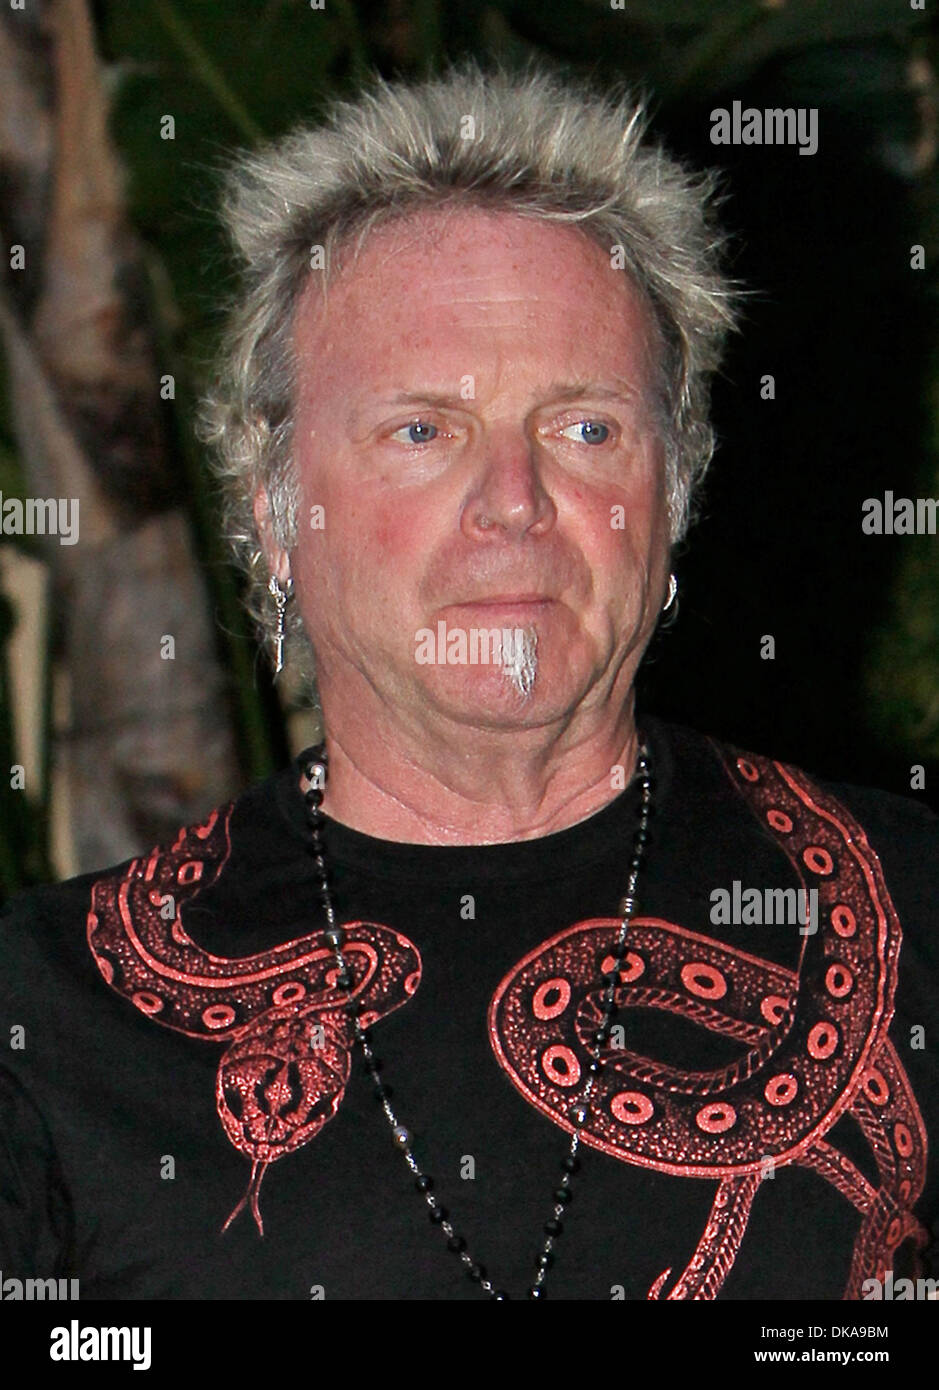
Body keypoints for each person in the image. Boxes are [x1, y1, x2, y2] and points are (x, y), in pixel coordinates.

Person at [1, 63, 936, 1303]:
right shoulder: (52, 1012)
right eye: (423, 430)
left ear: (674, 492)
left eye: (586, 426)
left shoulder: (917, 903)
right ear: (278, 513)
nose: (515, 502)